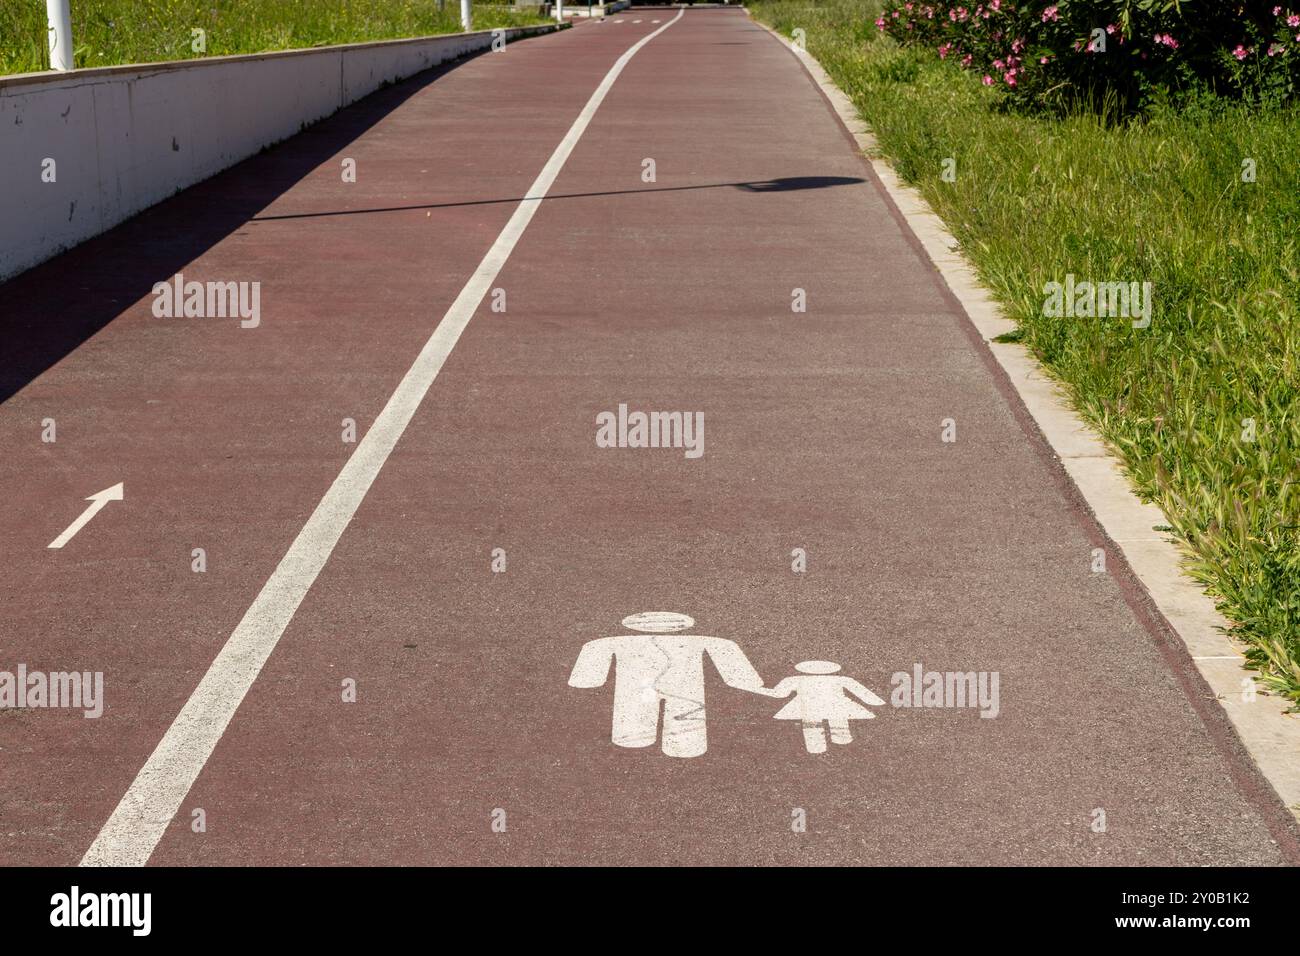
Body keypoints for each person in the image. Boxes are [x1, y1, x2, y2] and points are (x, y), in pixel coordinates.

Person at [568, 612, 764, 758]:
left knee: (633, 728)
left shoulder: (612, 642)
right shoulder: (702, 641)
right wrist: (745, 679)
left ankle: (648, 743)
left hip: (638, 687)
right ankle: (682, 746)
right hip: (684, 686)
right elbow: (726, 649)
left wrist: (587, 679)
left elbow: (590, 661)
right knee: (685, 737)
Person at [756, 660, 884, 754]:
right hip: (837, 706)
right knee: (839, 724)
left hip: (809, 707)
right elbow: (861, 691)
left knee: (812, 727)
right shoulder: (842, 679)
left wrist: (758, 689)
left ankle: (816, 748)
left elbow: (779, 694)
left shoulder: (793, 679)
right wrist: (875, 701)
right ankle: (842, 745)